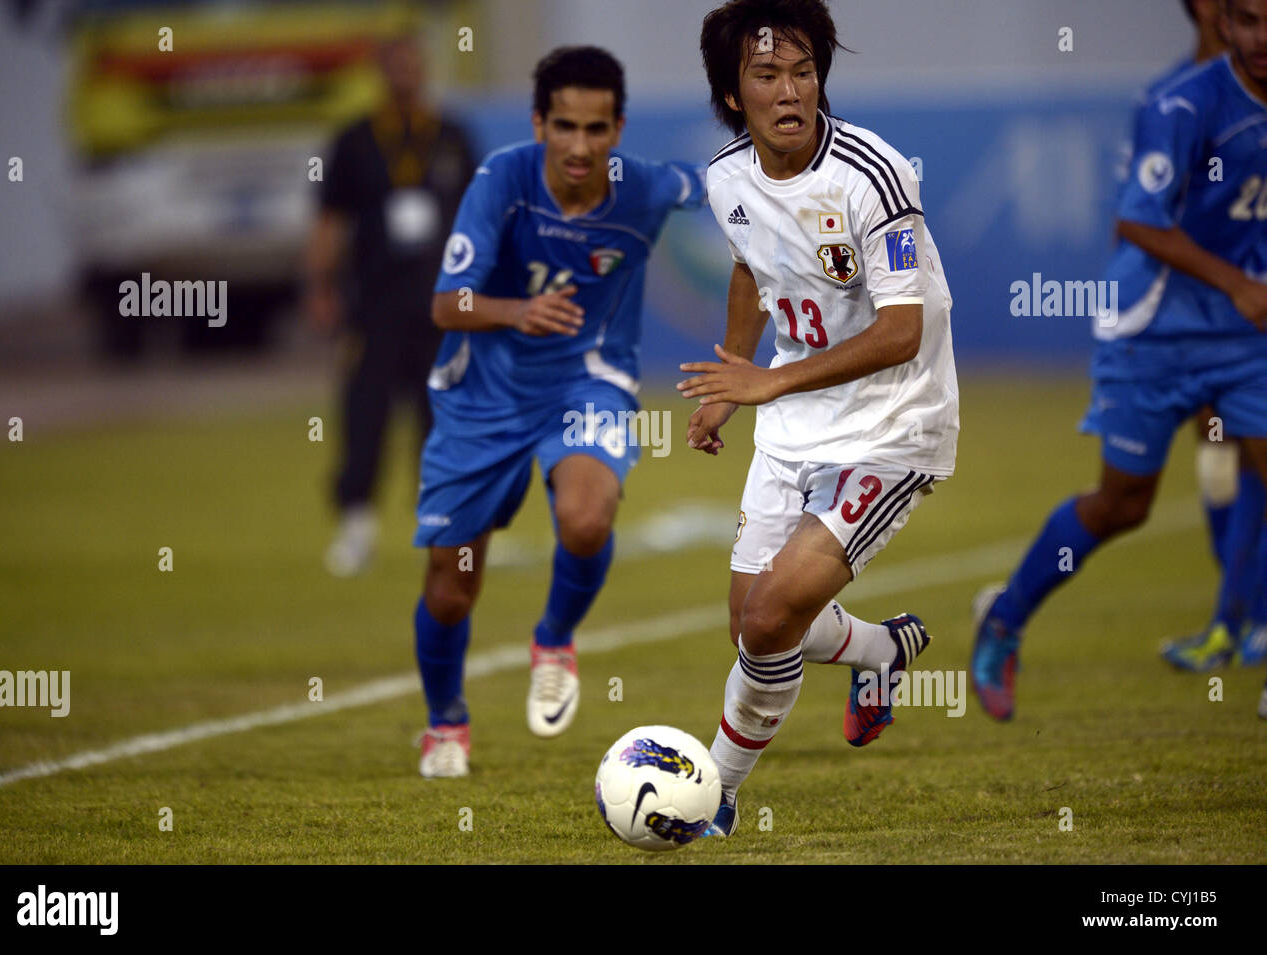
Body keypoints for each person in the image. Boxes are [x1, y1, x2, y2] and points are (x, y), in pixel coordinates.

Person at [680, 0, 958, 836]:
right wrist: (735, 375)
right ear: (734, 94)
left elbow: (902, 331)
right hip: (793, 422)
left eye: (804, 72)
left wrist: (775, 380)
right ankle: (882, 650)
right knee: (751, 621)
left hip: (892, 422)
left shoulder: (871, 175)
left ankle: (714, 795)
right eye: (767, 75)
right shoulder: (727, 177)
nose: (790, 91)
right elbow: (747, 264)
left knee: (770, 620)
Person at [412, 46, 706, 777]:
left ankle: (554, 640)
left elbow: (726, 188)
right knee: (452, 587)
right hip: (484, 396)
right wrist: (520, 309)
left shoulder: (645, 189)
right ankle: (446, 721)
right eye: (565, 126)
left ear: (619, 128)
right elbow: (448, 302)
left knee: (585, 516)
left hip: (588, 381)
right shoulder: (502, 179)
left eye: (597, 129)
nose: (581, 145)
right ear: (540, 123)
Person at [971, 0, 1267, 721]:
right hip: (1153, 331)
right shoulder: (1182, 104)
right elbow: (1137, 218)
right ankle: (1005, 619)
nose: (1262, 38)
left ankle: (1241, 627)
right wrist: (1235, 282)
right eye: (1249, 20)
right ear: (1221, 24)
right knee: (1123, 504)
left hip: (1245, 339)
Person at [306, 34, 477, 577]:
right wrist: (322, 285)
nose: (406, 74)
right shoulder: (355, 140)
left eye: (414, 65)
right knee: (365, 417)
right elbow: (331, 219)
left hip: (440, 307)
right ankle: (355, 527)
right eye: (396, 66)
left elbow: (480, 220)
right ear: (381, 72)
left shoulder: (451, 136)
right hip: (373, 305)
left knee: (444, 421)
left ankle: (445, 532)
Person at [1147, 0, 1267, 670]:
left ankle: (1241, 619)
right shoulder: (1179, 100)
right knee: (1223, 454)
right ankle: (1238, 617)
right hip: (1219, 316)